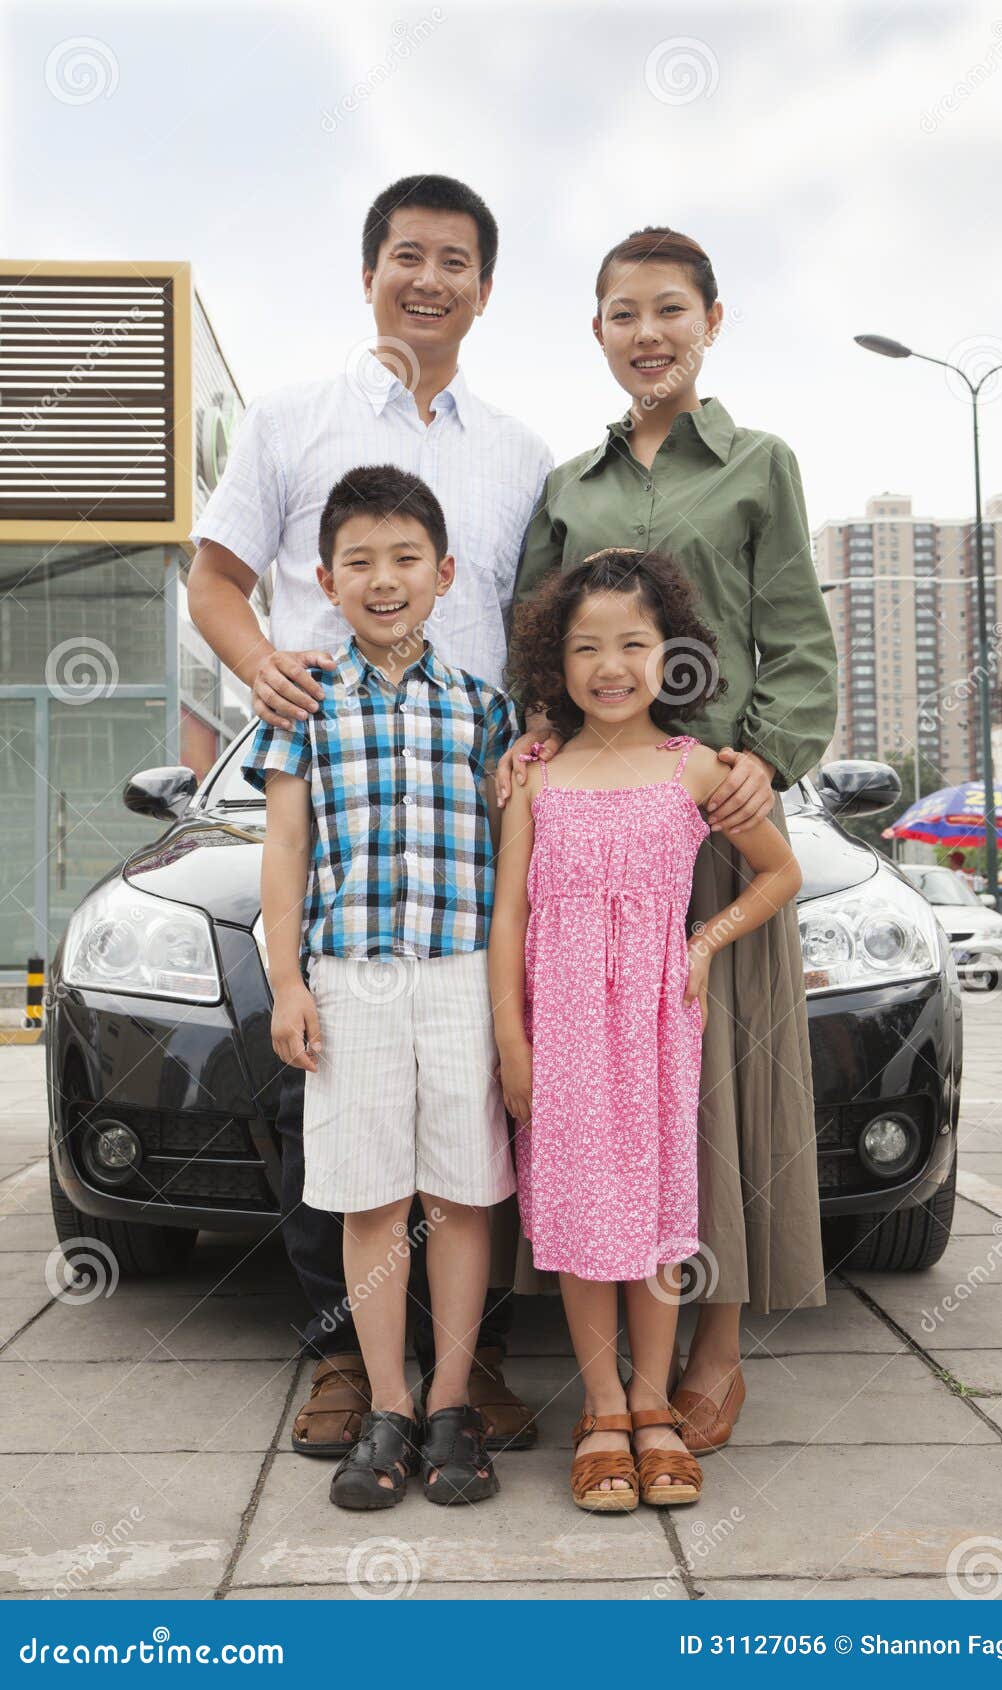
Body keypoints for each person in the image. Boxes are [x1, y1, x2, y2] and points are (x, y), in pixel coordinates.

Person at [188, 174, 551, 1457]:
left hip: (470, 816)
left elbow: (536, 625)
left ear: (486, 288)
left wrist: (541, 735)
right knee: (333, 1122)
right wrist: (261, 671)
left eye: (457, 260)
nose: (431, 280)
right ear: (369, 274)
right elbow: (216, 578)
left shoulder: (518, 451)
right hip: (321, 784)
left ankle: (468, 1372)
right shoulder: (292, 419)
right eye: (408, 256)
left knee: (468, 1138)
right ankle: (353, 1366)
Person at [496, 226, 837, 1458]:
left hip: (714, 800)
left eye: (670, 311)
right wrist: (534, 740)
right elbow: (541, 638)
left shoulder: (757, 465)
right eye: (624, 314)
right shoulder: (565, 492)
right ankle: (608, 1374)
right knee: (604, 1100)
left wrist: (766, 755)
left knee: (721, 1095)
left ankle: (719, 1351)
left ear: (712, 321)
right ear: (596, 332)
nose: (648, 333)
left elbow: (797, 633)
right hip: (591, 810)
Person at [489, 549, 802, 1511]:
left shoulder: (695, 766)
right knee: (584, 1220)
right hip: (563, 1030)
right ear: (558, 662)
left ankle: (654, 1403)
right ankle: (600, 1409)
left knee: (662, 1215)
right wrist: (512, 1040)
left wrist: (705, 941)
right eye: (586, 647)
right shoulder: (537, 775)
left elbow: (778, 873)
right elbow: (508, 917)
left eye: (633, 643)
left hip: (659, 1028)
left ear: (672, 657)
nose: (610, 666)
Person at [245, 465, 516, 1509]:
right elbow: (284, 849)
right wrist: (288, 981)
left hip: (456, 975)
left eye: (406, 558)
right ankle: (390, 1402)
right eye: (359, 561)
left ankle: (453, 1400)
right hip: (350, 978)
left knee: (456, 1191)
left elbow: (512, 850)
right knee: (370, 1194)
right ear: (326, 578)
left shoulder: (482, 710)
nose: (384, 578)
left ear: (444, 574)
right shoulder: (303, 701)